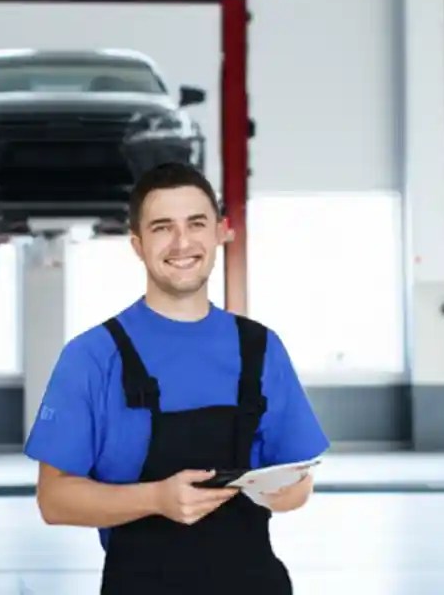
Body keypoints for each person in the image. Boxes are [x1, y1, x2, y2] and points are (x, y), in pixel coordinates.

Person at [23, 162, 330, 594]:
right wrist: (155, 499)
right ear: (137, 244)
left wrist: (282, 493)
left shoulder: (261, 348)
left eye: (196, 224)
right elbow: (53, 501)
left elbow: (301, 482)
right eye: (163, 227)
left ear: (220, 232)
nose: (182, 242)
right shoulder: (92, 357)